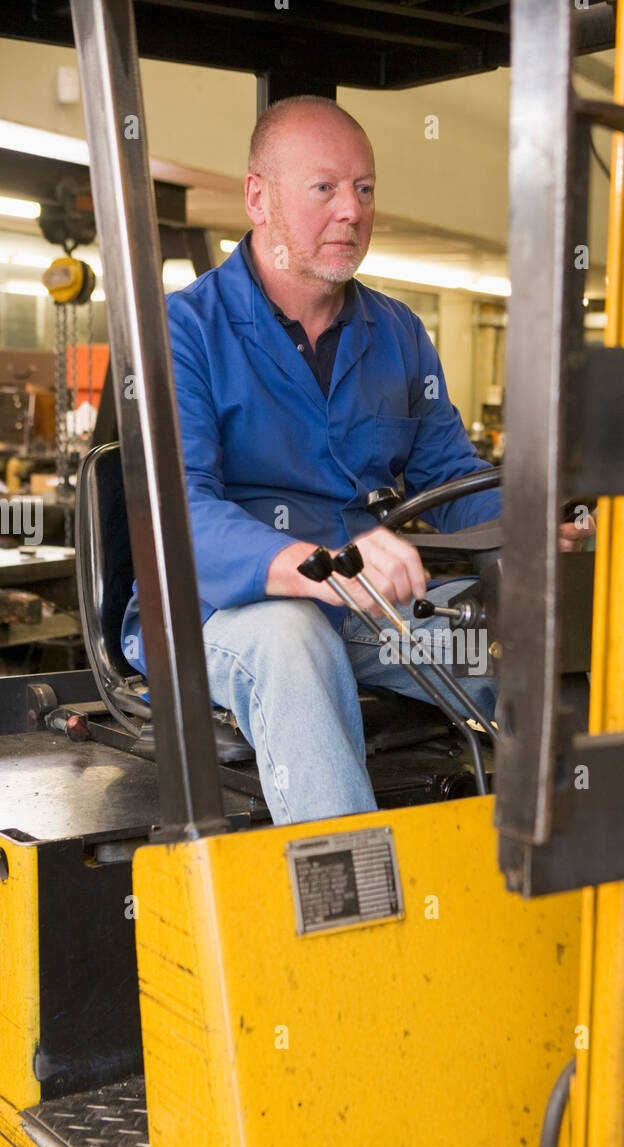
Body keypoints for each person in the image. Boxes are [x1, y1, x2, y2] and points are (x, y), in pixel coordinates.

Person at [121, 95, 592, 825]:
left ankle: (583, 872)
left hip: (375, 607)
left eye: (364, 189)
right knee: (293, 639)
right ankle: (355, 912)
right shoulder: (182, 332)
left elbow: (450, 484)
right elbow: (180, 516)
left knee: (534, 643)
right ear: (258, 197)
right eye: (325, 188)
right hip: (221, 611)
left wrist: (535, 522)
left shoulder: (397, 332)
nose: (352, 210)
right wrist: (324, 568)